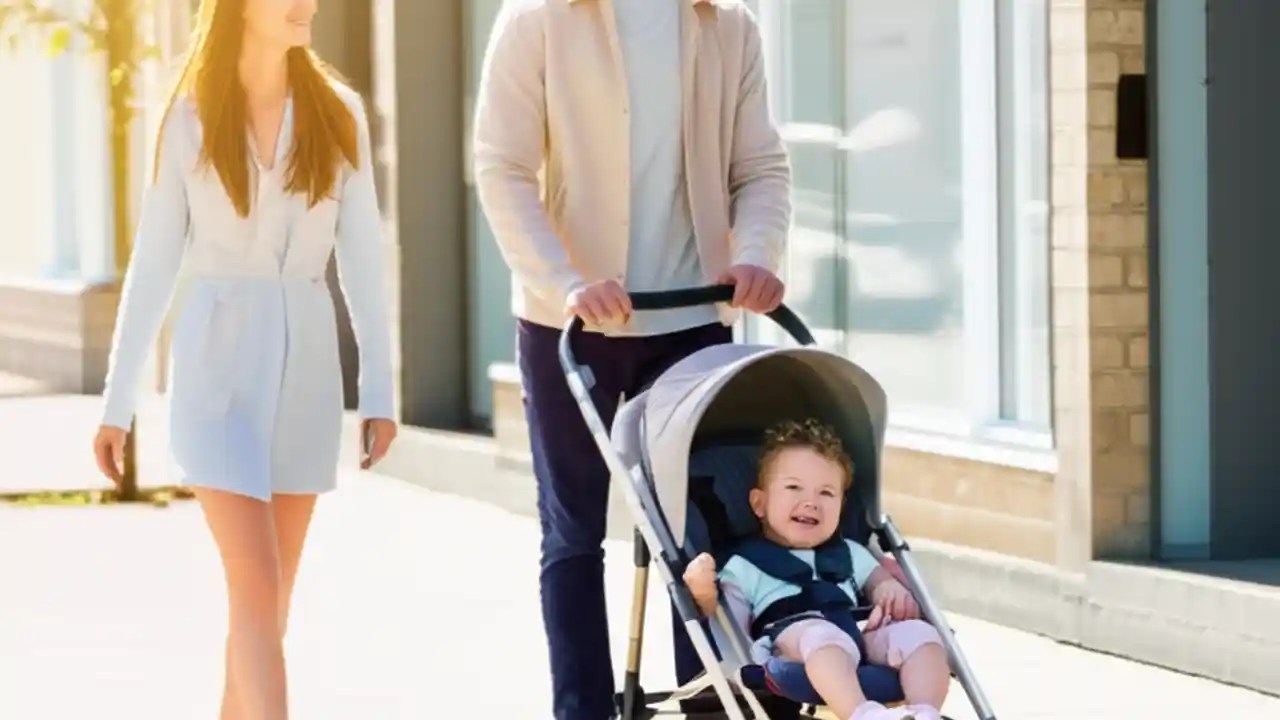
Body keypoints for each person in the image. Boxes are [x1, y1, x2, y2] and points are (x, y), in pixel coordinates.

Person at [472, 0, 791, 716]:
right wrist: (565, 282)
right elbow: (503, 168)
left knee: (703, 534)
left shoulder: (727, 26)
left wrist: (755, 256)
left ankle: (714, 706)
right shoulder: (538, 20)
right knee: (574, 533)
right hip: (570, 324)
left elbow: (762, 168)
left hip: (693, 320)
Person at [90, 1, 397, 717]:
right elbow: (153, 264)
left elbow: (363, 262)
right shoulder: (190, 116)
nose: (308, 4)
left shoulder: (338, 112)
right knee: (256, 593)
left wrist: (380, 389)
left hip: (308, 376)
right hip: (215, 376)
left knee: (266, 614)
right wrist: (117, 403)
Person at [683, 419, 951, 720]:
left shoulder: (850, 552)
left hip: (860, 634)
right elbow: (727, 625)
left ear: (841, 506)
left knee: (921, 635)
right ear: (759, 503)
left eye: (826, 493)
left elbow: (878, 580)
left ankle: (925, 711)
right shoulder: (743, 565)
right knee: (821, 635)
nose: (810, 502)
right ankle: (862, 714)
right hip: (791, 641)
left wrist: (887, 587)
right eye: (794, 487)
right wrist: (704, 593)